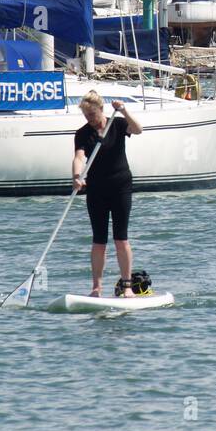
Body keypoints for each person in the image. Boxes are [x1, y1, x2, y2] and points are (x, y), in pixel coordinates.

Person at [73, 90, 142, 298]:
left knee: (121, 239)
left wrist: (124, 110)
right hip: (96, 189)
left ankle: (127, 286)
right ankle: (96, 288)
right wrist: (77, 176)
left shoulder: (118, 124)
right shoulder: (83, 133)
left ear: (101, 110)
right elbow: (79, 157)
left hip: (121, 186)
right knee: (99, 241)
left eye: (92, 115)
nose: (90, 120)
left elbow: (138, 130)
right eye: (86, 117)